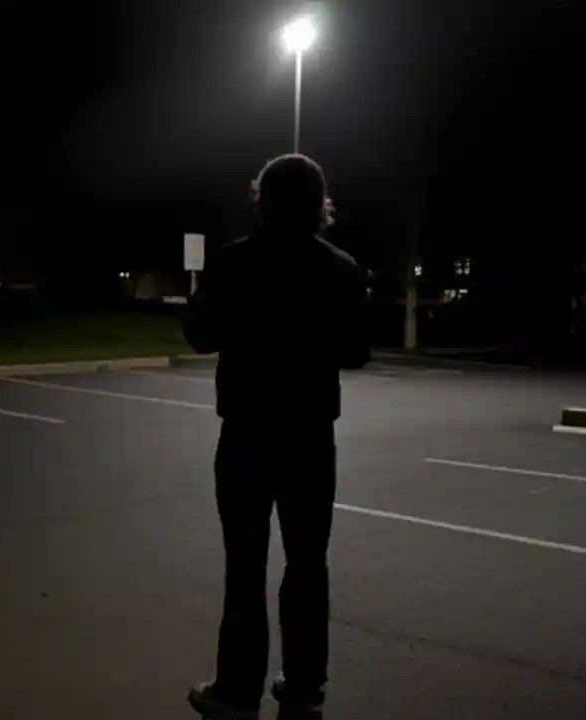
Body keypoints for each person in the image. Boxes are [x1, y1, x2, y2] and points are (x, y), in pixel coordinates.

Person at [184, 154, 370, 719]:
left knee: (245, 565)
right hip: (311, 439)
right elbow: (357, 352)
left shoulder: (235, 262)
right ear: (320, 204)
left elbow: (199, 334)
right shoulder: (341, 269)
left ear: (261, 198)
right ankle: (304, 684)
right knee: (307, 563)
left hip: (245, 433)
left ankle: (238, 688)